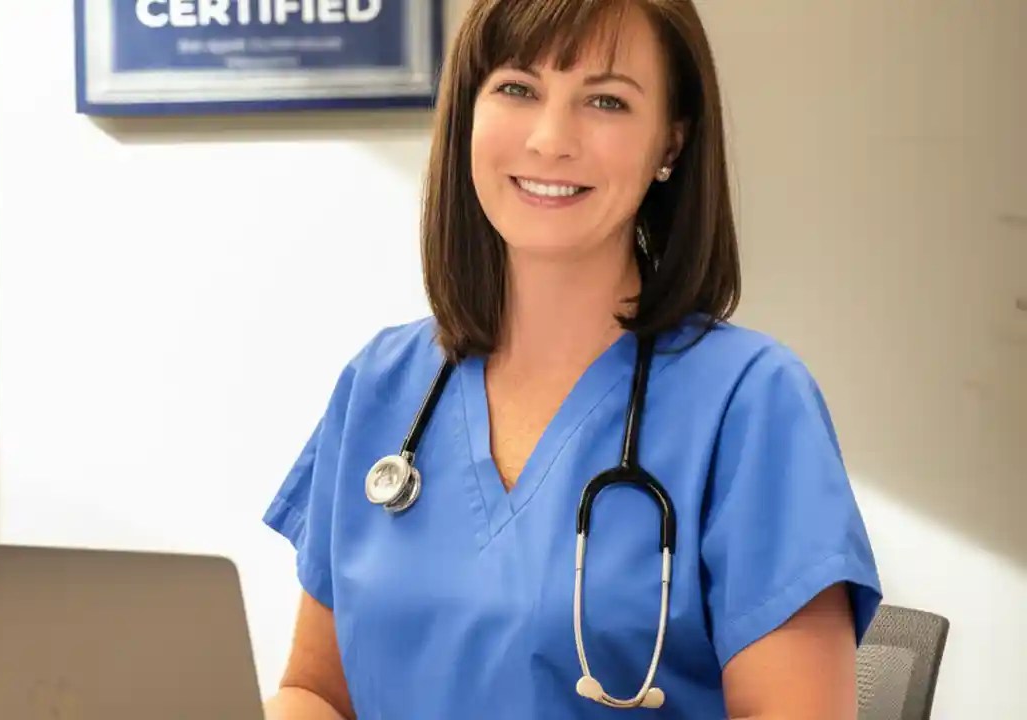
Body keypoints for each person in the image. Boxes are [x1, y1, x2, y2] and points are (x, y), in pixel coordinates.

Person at [261, 1, 882, 717]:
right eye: (517, 88)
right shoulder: (381, 384)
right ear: (468, 111)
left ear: (670, 144)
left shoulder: (751, 402)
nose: (551, 139)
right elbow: (315, 692)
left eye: (607, 101)